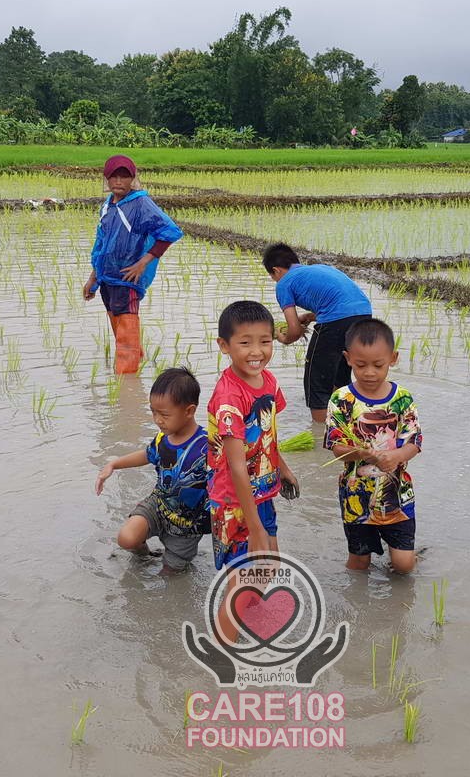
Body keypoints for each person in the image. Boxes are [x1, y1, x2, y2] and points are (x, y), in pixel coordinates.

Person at [207, 300, 300, 643]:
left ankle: (252, 622)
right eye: (245, 343)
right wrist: (255, 527)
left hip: (263, 491)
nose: (256, 351)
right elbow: (234, 465)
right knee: (242, 582)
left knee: (269, 566)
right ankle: (222, 653)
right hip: (234, 503)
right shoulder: (230, 397)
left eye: (264, 341)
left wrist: (283, 469)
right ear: (224, 346)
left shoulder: (269, 381)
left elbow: (268, 433)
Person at [324, 318, 422, 574]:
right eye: (361, 365)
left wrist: (397, 455)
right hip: (356, 495)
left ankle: (409, 556)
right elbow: (336, 448)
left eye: (378, 365)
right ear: (348, 359)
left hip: (397, 494)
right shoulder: (341, 399)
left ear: (393, 358)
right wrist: (361, 453)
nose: (369, 372)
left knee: (404, 567)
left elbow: (414, 441)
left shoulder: (402, 398)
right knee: (359, 564)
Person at [94, 368, 210, 572]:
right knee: (127, 538)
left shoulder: (207, 446)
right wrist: (113, 464)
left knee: (171, 575)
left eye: (164, 414)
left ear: (189, 411)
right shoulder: (162, 438)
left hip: (187, 525)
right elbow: (147, 455)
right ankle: (145, 556)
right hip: (158, 505)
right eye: (153, 412)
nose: (157, 420)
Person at [83, 155, 183, 374]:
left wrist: (143, 263)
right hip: (107, 279)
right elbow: (102, 244)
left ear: (133, 179)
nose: (119, 181)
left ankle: (126, 391)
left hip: (127, 279)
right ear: (106, 179)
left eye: (124, 176)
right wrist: (93, 278)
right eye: (114, 176)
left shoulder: (141, 204)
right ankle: (132, 379)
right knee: (121, 334)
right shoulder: (107, 206)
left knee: (126, 337)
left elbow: (169, 232)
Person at [262, 243, 373, 423]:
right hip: (364, 314)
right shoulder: (319, 269)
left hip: (336, 319)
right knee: (340, 373)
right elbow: (340, 300)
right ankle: (346, 421)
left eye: (272, 276)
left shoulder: (283, 283)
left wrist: (282, 337)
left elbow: (295, 331)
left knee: (316, 380)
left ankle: (321, 434)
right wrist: (311, 316)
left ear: (276, 271)